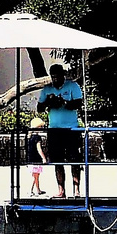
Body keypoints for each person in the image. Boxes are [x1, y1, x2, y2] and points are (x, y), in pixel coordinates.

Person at [36, 62, 85, 195]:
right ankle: (61, 190)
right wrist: (49, 102)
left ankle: (76, 189)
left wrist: (64, 102)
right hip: (54, 130)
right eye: (53, 77)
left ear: (63, 75)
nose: (55, 80)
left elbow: (78, 104)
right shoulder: (47, 89)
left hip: (71, 129)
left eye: (58, 76)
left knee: (75, 160)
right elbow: (39, 108)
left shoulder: (72, 86)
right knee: (57, 161)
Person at [27, 117, 50, 196]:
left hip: (31, 158)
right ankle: (30, 189)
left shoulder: (29, 137)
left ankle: (38, 189)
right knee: (35, 175)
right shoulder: (37, 137)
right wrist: (44, 157)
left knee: (36, 175)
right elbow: (39, 148)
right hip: (36, 158)